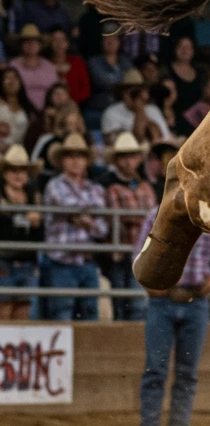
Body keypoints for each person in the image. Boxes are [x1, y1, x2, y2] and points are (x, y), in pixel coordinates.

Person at [134, 206, 210, 426]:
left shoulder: (209, 216)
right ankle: (152, 425)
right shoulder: (157, 215)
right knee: (156, 367)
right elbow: (140, 252)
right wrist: (147, 279)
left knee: (185, 370)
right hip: (166, 300)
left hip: (193, 301)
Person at [40, 133, 108, 321]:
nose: (75, 161)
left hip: (86, 262)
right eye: (70, 156)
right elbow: (66, 205)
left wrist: (80, 217)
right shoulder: (54, 185)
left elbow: (103, 228)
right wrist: (89, 216)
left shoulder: (95, 188)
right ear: (62, 161)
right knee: (62, 314)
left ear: (86, 161)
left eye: (80, 156)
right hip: (60, 261)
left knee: (90, 314)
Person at [101, 132, 157, 321]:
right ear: (116, 160)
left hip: (139, 252)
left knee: (138, 303)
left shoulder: (144, 186)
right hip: (119, 253)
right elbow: (116, 216)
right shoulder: (110, 185)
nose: (128, 161)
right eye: (123, 157)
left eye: (132, 156)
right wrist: (142, 219)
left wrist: (138, 219)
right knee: (119, 303)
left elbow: (152, 216)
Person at [0, 145, 44, 320]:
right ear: (5, 173)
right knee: (3, 310)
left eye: (22, 170)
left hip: (27, 262)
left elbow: (39, 237)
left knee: (23, 312)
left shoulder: (34, 197)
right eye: (13, 170)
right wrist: (26, 221)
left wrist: (36, 225)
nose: (18, 175)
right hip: (3, 262)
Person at [100, 69, 171, 145]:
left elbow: (165, 137)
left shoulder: (153, 110)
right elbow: (121, 143)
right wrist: (138, 110)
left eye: (140, 90)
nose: (137, 96)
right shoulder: (111, 112)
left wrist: (141, 109)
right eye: (132, 91)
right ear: (123, 93)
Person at [86, 23, 132, 123]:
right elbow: (103, 81)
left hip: (123, 106)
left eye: (114, 39)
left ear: (119, 42)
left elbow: (132, 81)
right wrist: (122, 83)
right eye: (107, 39)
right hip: (101, 107)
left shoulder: (126, 61)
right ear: (101, 42)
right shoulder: (94, 61)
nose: (110, 42)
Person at [10, 23, 58, 113]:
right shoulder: (14, 65)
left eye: (34, 41)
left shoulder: (49, 66)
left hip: (47, 111)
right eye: (27, 41)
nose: (31, 44)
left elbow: (54, 90)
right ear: (21, 45)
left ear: (40, 45)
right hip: (20, 111)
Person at [46, 27, 91, 106]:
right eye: (55, 40)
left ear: (67, 43)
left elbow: (85, 89)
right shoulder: (45, 64)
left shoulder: (77, 62)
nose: (59, 43)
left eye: (62, 40)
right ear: (50, 43)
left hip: (76, 106)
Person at [0, 66, 36, 150]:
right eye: (7, 78)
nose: (11, 81)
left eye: (14, 77)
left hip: (18, 152)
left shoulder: (28, 108)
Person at [167, 35, 203, 116]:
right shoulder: (167, 70)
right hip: (176, 115)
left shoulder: (200, 72)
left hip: (196, 117)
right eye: (181, 47)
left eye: (188, 48)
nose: (184, 51)